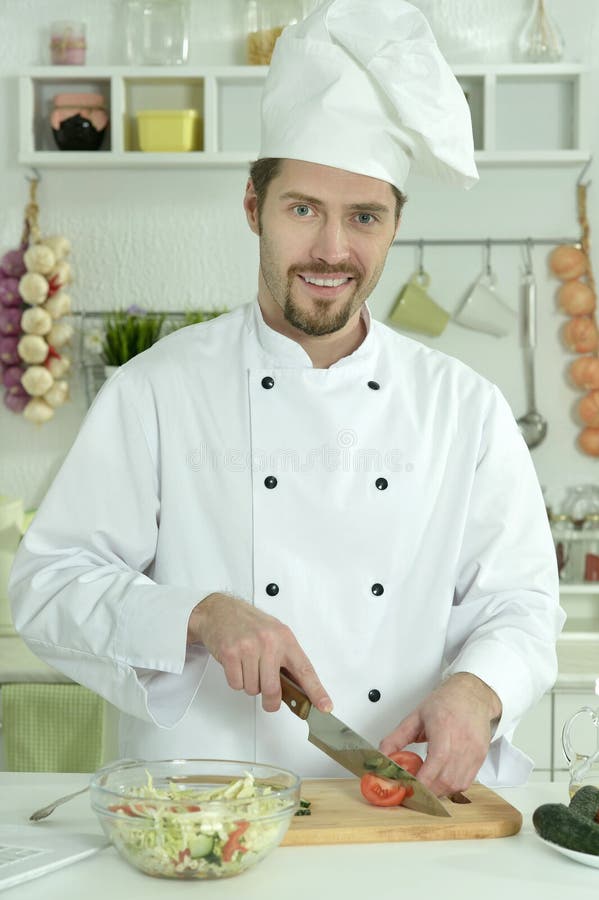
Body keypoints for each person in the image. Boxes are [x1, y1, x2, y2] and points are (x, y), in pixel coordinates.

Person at [9, 0, 564, 796]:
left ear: (394, 225)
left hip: (394, 811)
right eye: (303, 210)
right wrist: (198, 614)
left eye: (363, 217)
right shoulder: (156, 391)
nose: (332, 251)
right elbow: (50, 585)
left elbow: (522, 602)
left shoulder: (464, 409)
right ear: (253, 208)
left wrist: (478, 691)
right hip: (197, 813)